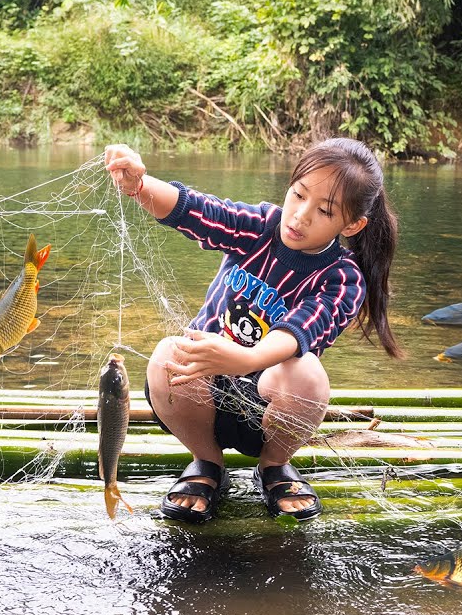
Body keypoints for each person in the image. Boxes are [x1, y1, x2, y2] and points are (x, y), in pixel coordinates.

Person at [104, 139, 402, 523]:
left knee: (308, 374)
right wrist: (140, 186)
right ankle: (207, 463)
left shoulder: (343, 278)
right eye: (298, 196)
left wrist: (245, 358)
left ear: (352, 224)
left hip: (268, 414)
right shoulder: (260, 226)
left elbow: (301, 328)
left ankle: (274, 466)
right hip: (199, 398)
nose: (300, 216)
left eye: (324, 211)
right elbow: (196, 209)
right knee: (166, 354)